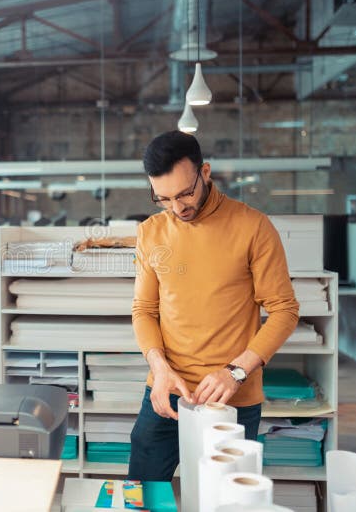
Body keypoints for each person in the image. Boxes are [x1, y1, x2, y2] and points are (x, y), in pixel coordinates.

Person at [128, 131, 299, 481]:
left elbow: (284, 310)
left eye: (185, 193)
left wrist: (236, 372)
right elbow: (144, 310)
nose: (177, 208)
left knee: (221, 497)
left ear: (205, 172)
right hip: (166, 387)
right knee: (141, 491)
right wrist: (159, 368)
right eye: (163, 199)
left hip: (231, 393)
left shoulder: (254, 227)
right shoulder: (151, 232)